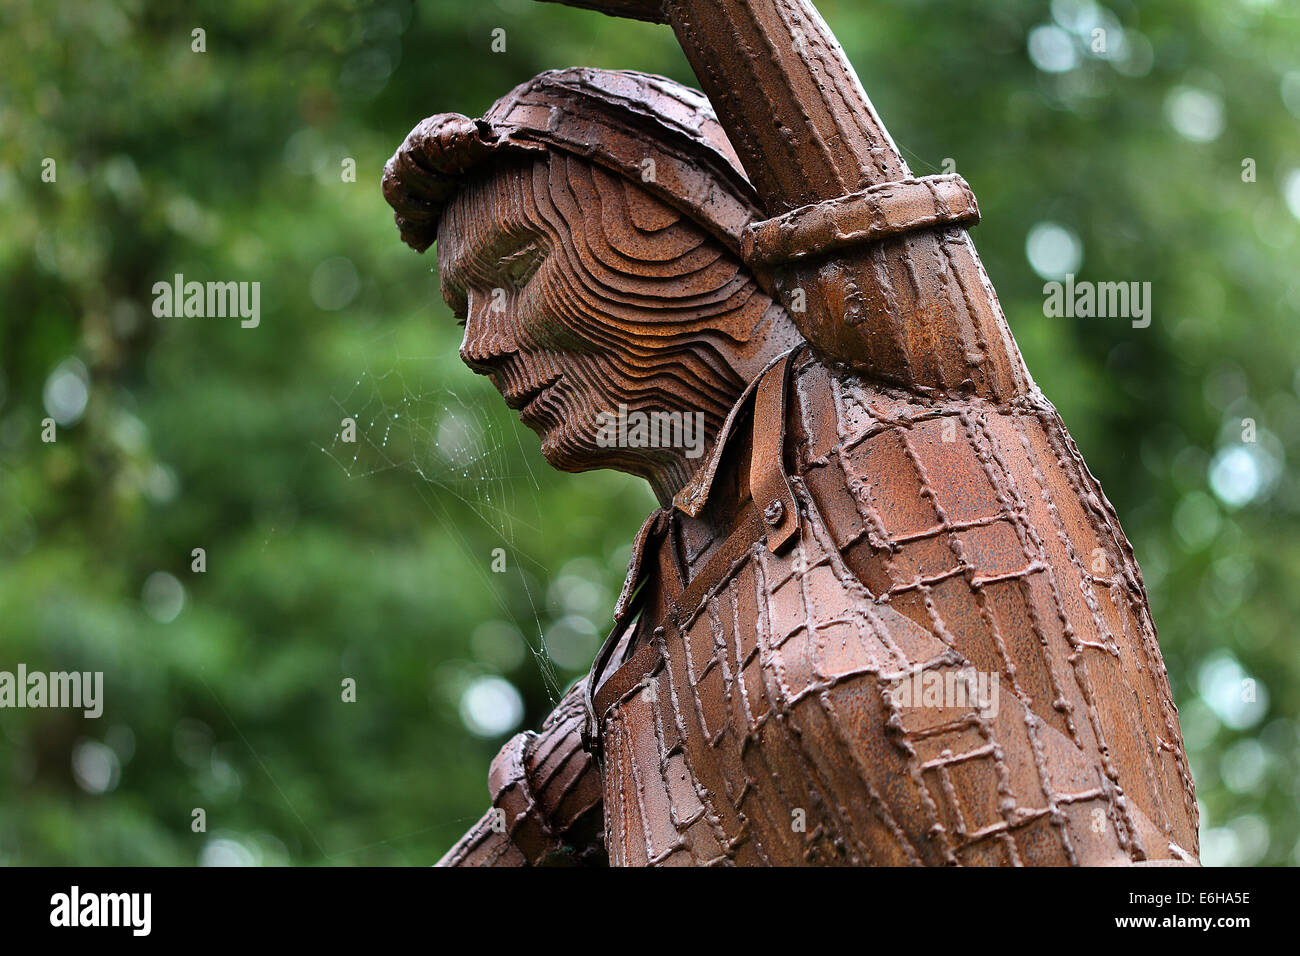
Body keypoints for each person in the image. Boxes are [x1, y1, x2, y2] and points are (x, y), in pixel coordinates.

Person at [384, 63, 1198, 866]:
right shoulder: (644, 637)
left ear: (686, 227)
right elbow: (526, 824)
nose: (477, 348)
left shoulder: (894, 392)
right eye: (462, 311)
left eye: (517, 270)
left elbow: (854, 200)